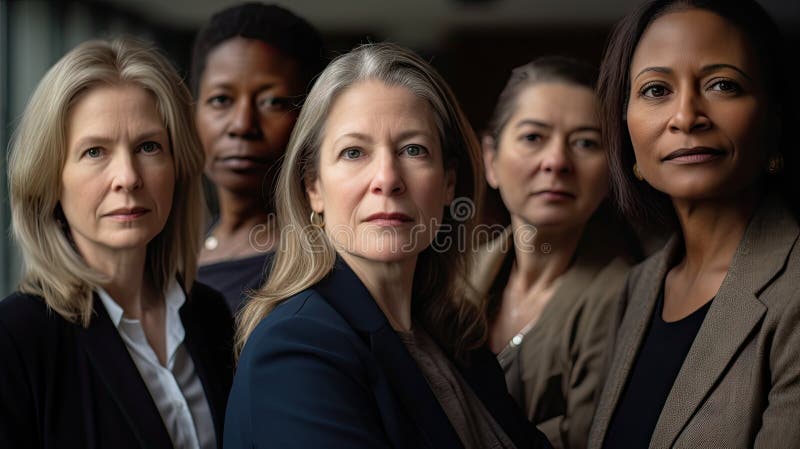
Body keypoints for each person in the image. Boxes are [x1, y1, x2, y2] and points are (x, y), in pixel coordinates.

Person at [224, 42, 552, 449]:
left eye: (413, 149)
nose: (387, 178)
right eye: (354, 152)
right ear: (313, 189)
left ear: (448, 183)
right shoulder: (297, 349)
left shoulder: (455, 339)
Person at [0, 38, 234, 449]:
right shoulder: (15, 339)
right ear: (51, 179)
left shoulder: (211, 316)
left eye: (148, 147)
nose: (127, 176)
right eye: (95, 152)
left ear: (177, 169)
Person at [587, 1, 800, 448]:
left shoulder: (793, 293)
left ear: (774, 121)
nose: (686, 117)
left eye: (723, 85)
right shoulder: (639, 286)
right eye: (655, 90)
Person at [473, 57, 639, 449]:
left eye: (586, 143)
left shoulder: (630, 295)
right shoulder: (454, 276)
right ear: (491, 159)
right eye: (533, 137)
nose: (557, 162)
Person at [190, 2, 325, 311]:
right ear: (194, 112)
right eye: (221, 99)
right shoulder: (174, 252)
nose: (242, 125)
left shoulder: (318, 267)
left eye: (272, 102)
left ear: (311, 118)